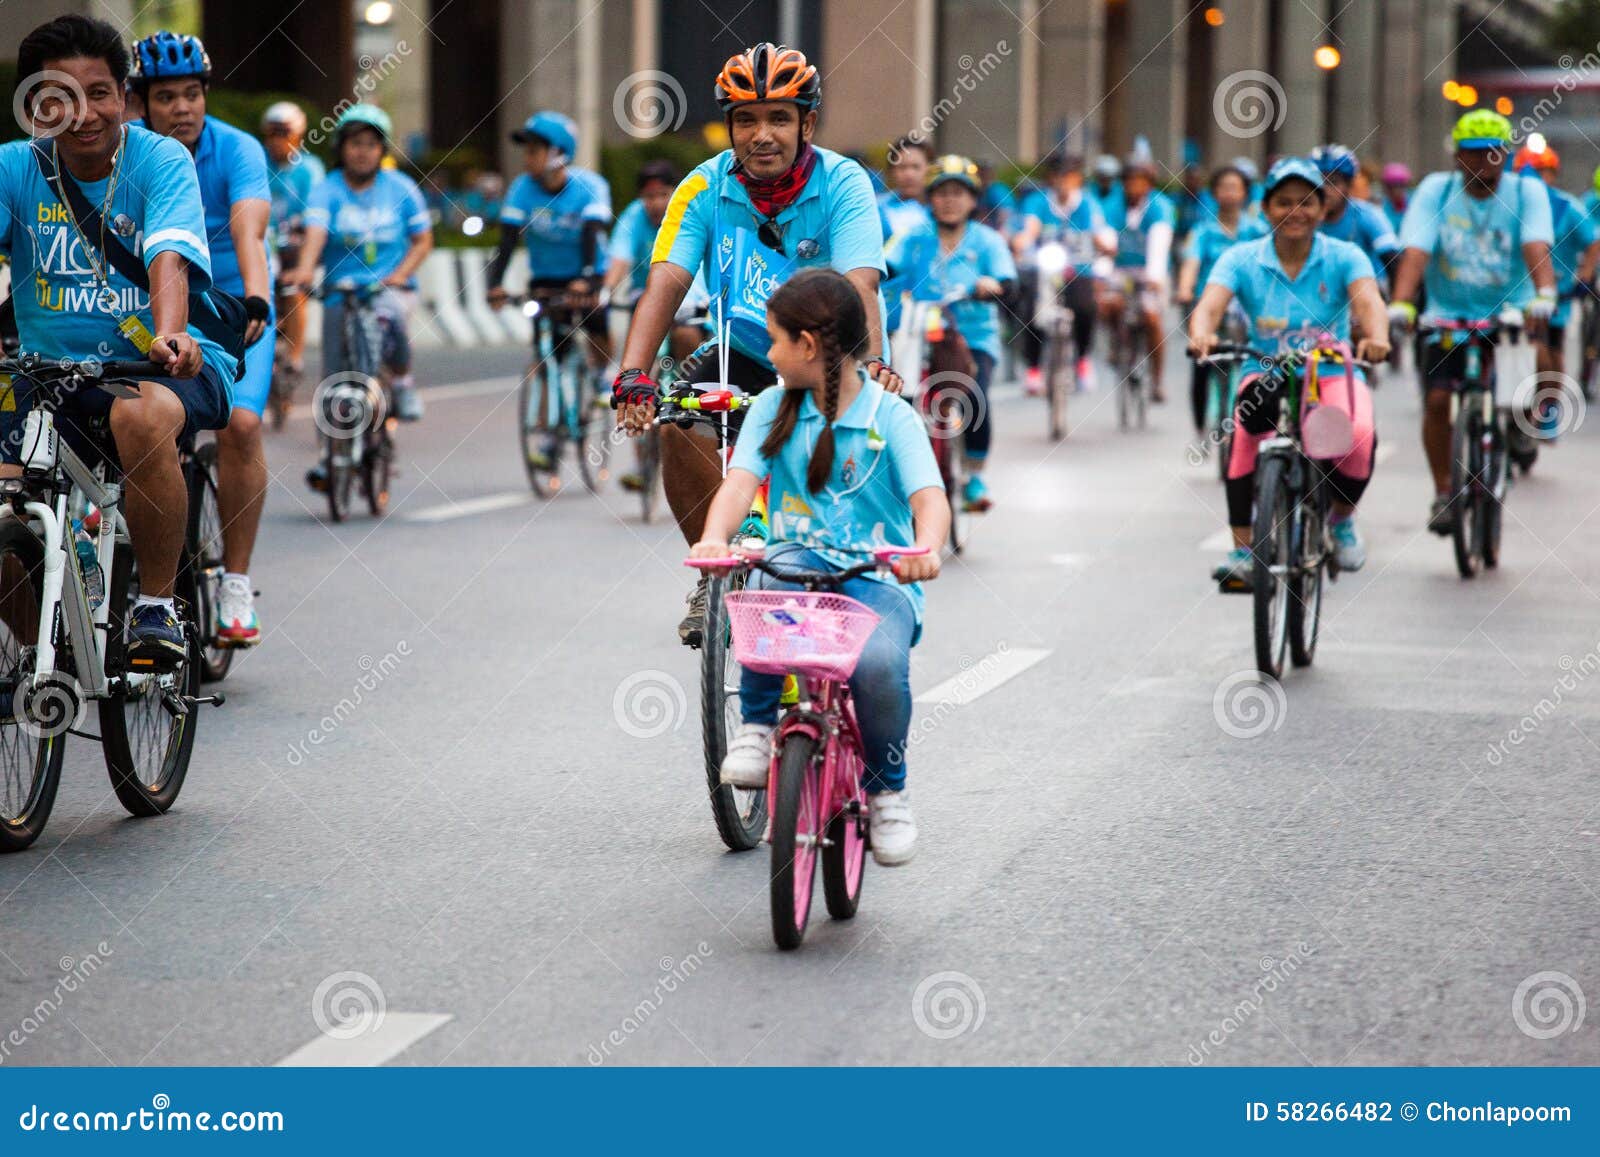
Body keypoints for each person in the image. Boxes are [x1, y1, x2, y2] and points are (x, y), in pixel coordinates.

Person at [611, 42, 899, 646]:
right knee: (676, 421)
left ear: (807, 124)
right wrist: (634, 373)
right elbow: (664, 281)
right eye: (746, 119)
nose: (760, 134)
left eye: (778, 117)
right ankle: (715, 571)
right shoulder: (702, 187)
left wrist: (871, 366)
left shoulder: (843, 183)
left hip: (830, 354)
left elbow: (860, 287)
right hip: (744, 348)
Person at [689, 269, 948, 866]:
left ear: (807, 345)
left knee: (880, 667)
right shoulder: (773, 408)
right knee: (758, 592)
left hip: (878, 575)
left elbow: (928, 499)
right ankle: (756, 729)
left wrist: (926, 549)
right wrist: (712, 538)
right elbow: (738, 485)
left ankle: (888, 793)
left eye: (776, 340)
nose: (769, 352)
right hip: (799, 562)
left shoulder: (894, 417)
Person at [0, 14, 236, 667]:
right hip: (45, 378)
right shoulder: (12, 169)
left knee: (142, 415)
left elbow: (168, 255)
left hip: (159, 364)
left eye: (99, 92)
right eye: (59, 97)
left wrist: (170, 334)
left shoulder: (160, 159)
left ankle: (156, 606)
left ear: (124, 97)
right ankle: (47, 652)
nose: (83, 113)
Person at [134, 31, 273, 649]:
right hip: (150, 304)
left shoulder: (237, 150)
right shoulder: (128, 152)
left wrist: (257, 299)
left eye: (193, 94)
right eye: (167, 97)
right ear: (142, 102)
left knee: (241, 426)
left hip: (230, 308)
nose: (184, 108)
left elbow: (250, 233)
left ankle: (236, 585)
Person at [1190, 158, 1390, 585]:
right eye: (1283, 202)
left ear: (1322, 209)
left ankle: (1340, 520)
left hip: (1331, 367)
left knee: (1357, 435)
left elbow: (1369, 302)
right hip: (1262, 366)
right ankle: (1243, 549)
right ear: (1265, 209)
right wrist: (1202, 334)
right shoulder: (1241, 258)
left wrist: (1376, 337)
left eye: (1305, 203)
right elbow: (1208, 305)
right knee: (1244, 432)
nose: (1294, 212)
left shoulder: (1345, 255)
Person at [1388, 110, 1556, 534]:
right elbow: (1416, 252)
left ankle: (1523, 425)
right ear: (1457, 158)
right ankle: (1444, 492)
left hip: (1510, 310)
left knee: (1537, 355)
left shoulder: (1525, 192)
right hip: (1448, 314)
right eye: (1472, 155)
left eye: (1493, 154)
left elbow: (1536, 245)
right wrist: (1402, 304)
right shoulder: (1435, 191)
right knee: (1438, 403)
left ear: (1507, 156)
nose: (1483, 164)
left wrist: (1545, 295)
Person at [282, 104, 433, 482]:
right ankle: (329, 457)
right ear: (341, 147)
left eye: (370, 144)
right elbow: (315, 233)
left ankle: (400, 381)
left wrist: (400, 275)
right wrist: (304, 269)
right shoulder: (327, 189)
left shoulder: (400, 188)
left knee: (392, 316)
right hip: (339, 292)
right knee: (333, 378)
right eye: (354, 143)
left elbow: (422, 241)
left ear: (381, 150)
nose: (362, 151)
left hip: (388, 290)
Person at [887, 155, 1016, 511]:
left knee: (975, 394)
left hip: (972, 337)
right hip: (916, 334)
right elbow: (884, 265)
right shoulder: (912, 237)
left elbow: (1007, 279)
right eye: (942, 192)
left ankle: (974, 475)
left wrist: (993, 284)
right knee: (900, 398)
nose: (949, 200)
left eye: (958, 192)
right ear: (930, 197)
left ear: (973, 200)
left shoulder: (987, 240)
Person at [486, 110, 613, 468]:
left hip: (587, 271)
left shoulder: (590, 186)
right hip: (546, 279)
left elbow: (593, 233)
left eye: (534, 151)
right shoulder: (521, 190)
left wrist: (587, 279)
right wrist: (495, 285)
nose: (526, 159)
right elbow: (507, 242)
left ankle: (603, 375)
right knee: (547, 354)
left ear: (558, 153)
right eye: (525, 151)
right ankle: (549, 432)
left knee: (596, 323)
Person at [601, 159, 708, 491]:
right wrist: (606, 291)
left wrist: (698, 301)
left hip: (691, 301)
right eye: (649, 197)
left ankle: (688, 390)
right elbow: (620, 258)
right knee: (636, 373)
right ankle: (640, 461)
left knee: (689, 336)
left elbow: (702, 267)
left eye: (663, 194)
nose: (656, 203)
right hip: (646, 301)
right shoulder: (633, 217)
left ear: (674, 193)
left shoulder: (690, 211)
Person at [1011, 151, 1114, 394]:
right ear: (1051, 179)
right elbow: (1030, 229)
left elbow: (1099, 232)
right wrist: (1021, 241)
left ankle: (1082, 360)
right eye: (1059, 176)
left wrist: (1105, 246)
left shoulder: (1088, 204)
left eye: (1070, 177)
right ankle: (1034, 369)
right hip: (1045, 267)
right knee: (1031, 311)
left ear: (1078, 179)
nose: (1064, 182)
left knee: (1086, 307)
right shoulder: (1037, 202)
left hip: (1079, 267)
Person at [1176, 164, 1267, 437]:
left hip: (1247, 307)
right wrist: (1184, 288)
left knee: (1256, 358)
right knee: (1201, 359)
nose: (1229, 193)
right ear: (1214, 193)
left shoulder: (1258, 230)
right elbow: (1191, 263)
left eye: (1235, 187)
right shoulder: (1202, 231)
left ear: (1245, 193)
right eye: (1223, 187)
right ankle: (1200, 424)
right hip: (1210, 306)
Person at [1513, 141, 1600, 392]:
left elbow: (1593, 242)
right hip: (1517, 292)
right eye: (1528, 172)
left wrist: (1584, 275)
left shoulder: (1569, 206)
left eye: (1542, 172)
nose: (1535, 179)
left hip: (1556, 293)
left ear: (1554, 174)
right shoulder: (1510, 204)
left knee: (1552, 350)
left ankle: (1548, 403)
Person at [260, 100, 325, 427]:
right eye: (271, 133)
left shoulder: (309, 168)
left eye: (283, 133)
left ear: (298, 135)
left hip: (295, 242)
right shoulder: (258, 162)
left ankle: (294, 357)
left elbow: (316, 210)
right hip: (264, 241)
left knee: (293, 286)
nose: (276, 140)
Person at [1102, 153, 1175, 402]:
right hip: (1121, 269)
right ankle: (1116, 342)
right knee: (1107, 303)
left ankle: (1157, 381)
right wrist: (1103, 269)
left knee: (1152, 318)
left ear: (1149, 183)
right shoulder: (1113, 205)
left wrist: (1154, 276)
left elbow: (1160, 241)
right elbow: (1107, 237)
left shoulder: (1160, 207)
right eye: (1129, 181)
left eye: (1139, 180)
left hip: (1150, 271)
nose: (1134, 186)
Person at [1311, 145, 1401, 279]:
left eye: (1333, 182)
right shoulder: (1301, 216)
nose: (1325, 190)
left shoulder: (1367, 214)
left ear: (1349, 185)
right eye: (1318, 181)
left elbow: (1393, 261)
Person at [879, 136, 933, 241]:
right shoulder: (878, 207)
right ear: (891, 171)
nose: (909, 175)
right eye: (902, 167)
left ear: (931, 169)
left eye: (916, 167)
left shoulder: (943, 207)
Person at [1087, 154, 1124, 222]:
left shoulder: (1122, 194)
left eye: (1109, 178)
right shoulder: (1089, 192)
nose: (1105, 181)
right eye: (1102, 177)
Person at [1380, 162, 1412, 232]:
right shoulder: (1380, 209)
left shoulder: (1414, 204)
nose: (1396, 191)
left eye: (1400, 186)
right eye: (1392, 187)